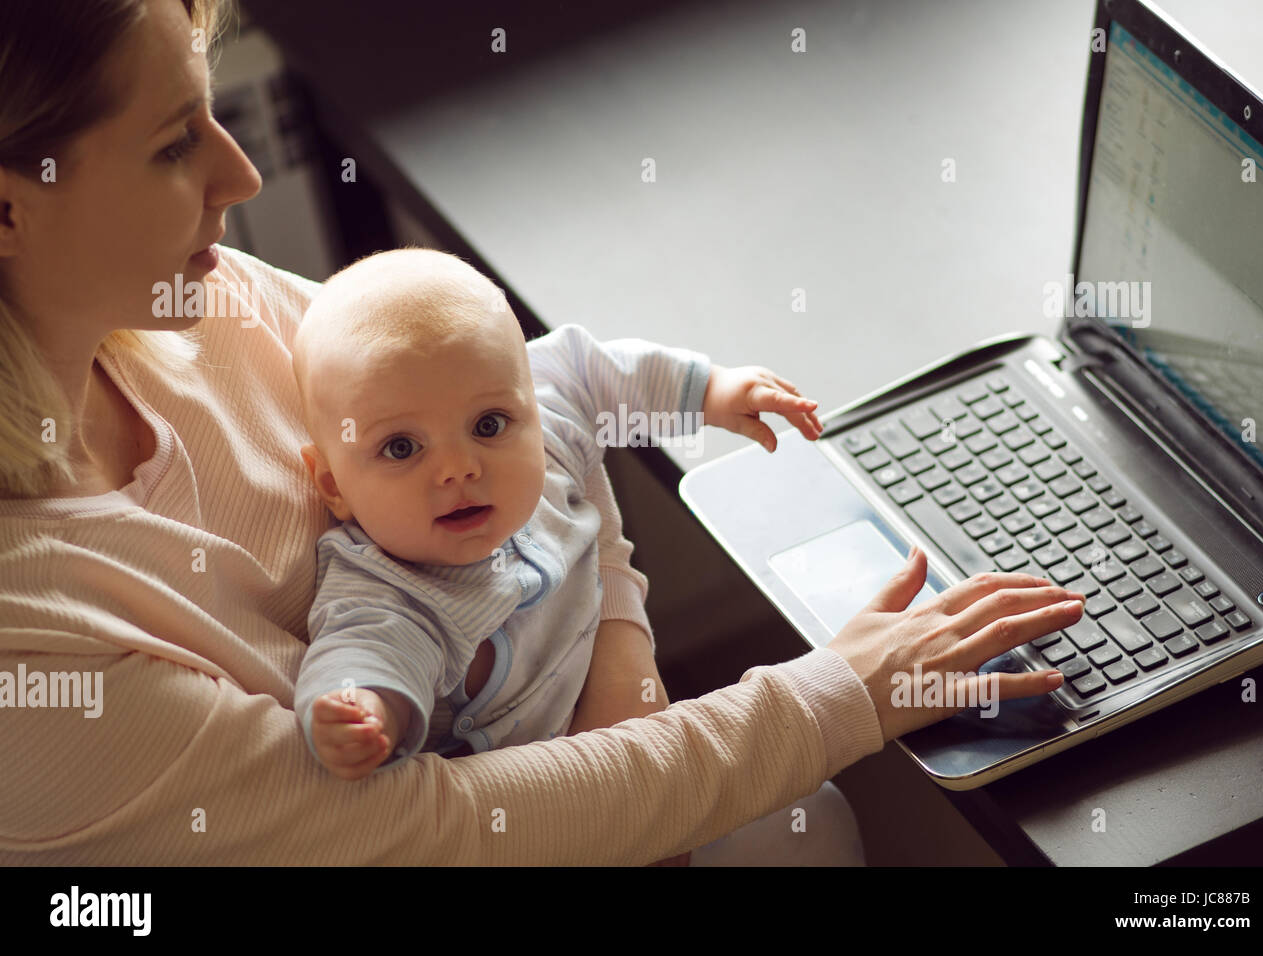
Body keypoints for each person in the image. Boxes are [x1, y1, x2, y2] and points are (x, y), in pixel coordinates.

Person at [0, 0, 1084, 866]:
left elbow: (519, 418)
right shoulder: (29, 657)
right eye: (173, 142)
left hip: (533, 755)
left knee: (801, 818)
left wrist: (615, 632)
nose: (239, 177)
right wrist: (837, 696)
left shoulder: (193, 300)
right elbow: (436, 829)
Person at [290, 248, 824, 789]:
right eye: (402, 447)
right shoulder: (387, 590)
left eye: (489, 424)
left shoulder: (547, 425)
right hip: (548, 807)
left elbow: (590, 370)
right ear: (334, 485)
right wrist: (362, 710)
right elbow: (363, 648)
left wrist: (714, 391)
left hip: (642, 743)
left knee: (822, 811)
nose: (459, 469)